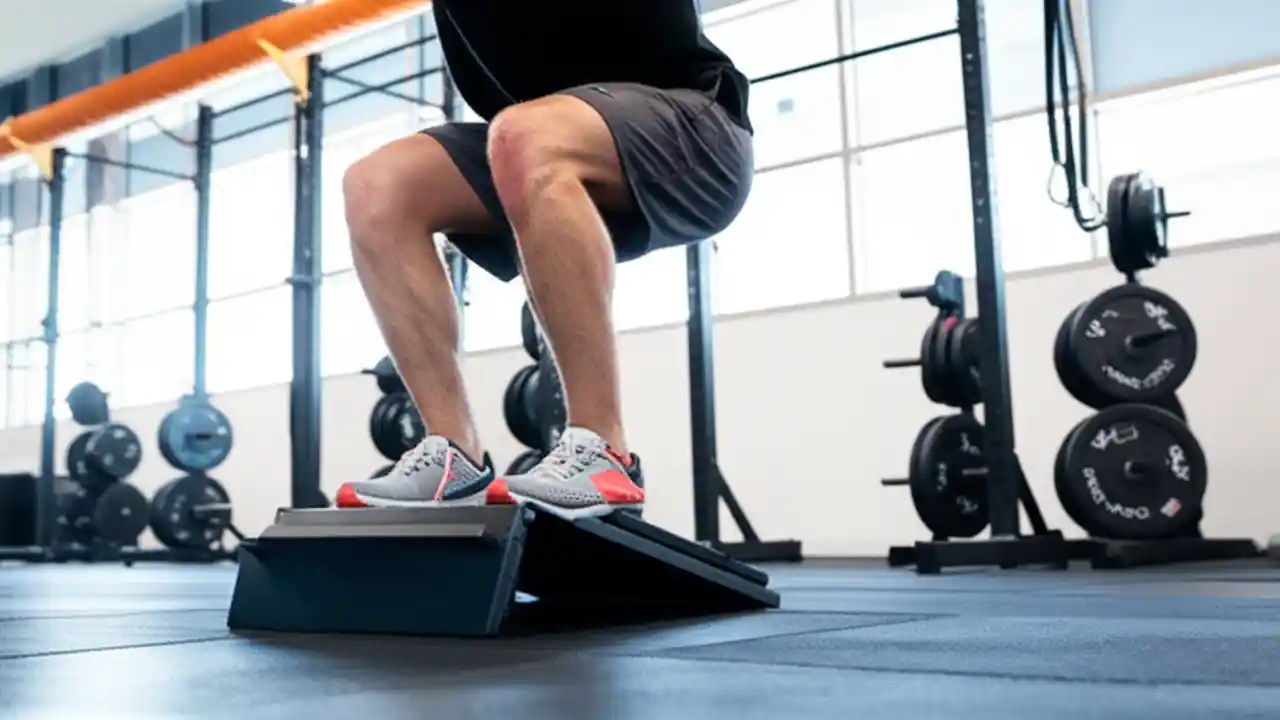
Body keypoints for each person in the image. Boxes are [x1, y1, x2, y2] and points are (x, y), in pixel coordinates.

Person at [334, 0, 753, 519]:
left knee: (524, 134)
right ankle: (452, 456)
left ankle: (604, 451)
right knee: (377, 187)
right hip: (542, 140)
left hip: (697, 131)